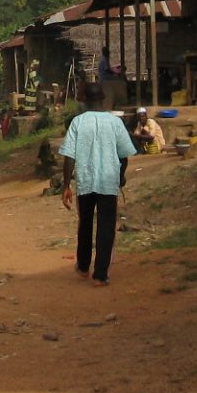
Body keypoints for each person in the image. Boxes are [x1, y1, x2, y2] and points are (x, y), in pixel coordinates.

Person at [60, 84, 137, 285]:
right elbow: (124, 156)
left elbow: (69, 157)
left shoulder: (77, 122)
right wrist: (120, 176)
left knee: (85, 224)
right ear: (103, 98)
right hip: (108, 182)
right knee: (106, 227)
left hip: (85, 181)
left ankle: (84, 267)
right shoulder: (115, 122)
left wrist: (66, 186)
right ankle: (101, 275)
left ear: (84, 99)